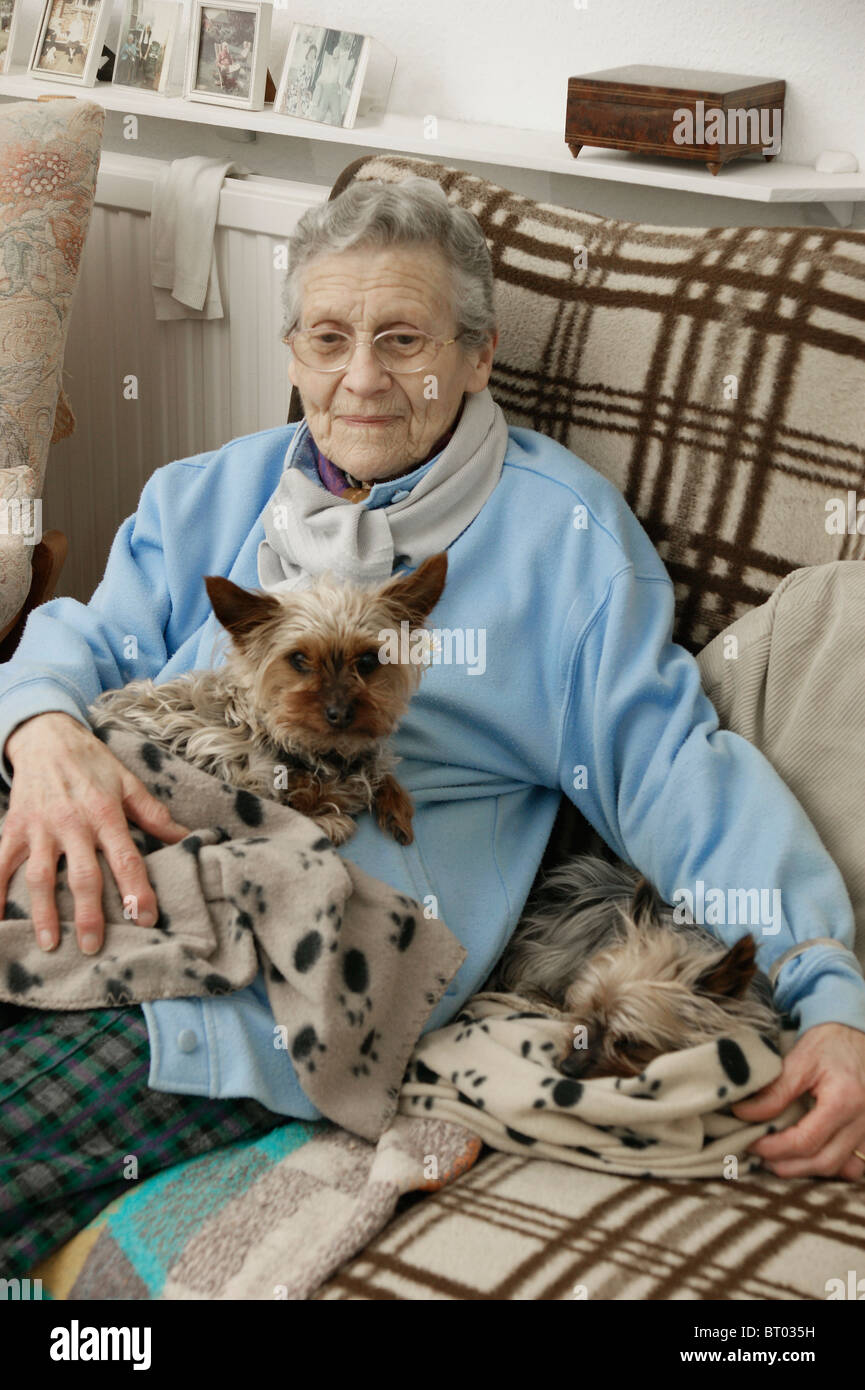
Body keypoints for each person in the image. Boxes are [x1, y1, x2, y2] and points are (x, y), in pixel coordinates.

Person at [2, 178, 865, 1276]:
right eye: (329, 338)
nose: (360, 377)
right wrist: (42, 735)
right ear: (294, 354)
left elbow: (676, 775)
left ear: (477, 356)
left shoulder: (566, 546)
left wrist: (829, 990)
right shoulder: (198, 494)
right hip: (97, 853)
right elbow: (77, 641)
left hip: (278, 968)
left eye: (402, 338)